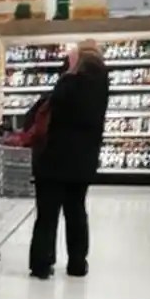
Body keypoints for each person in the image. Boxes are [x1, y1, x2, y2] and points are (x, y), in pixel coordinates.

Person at [27, 40, 109, 279]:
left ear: (79, 58)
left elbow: (50, 112)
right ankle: (77, 263)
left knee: (47, 213)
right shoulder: (102, 85)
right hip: (83, 161)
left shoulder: (68, 82)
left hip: (54, 159)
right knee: (76, 212)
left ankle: (42, 264)